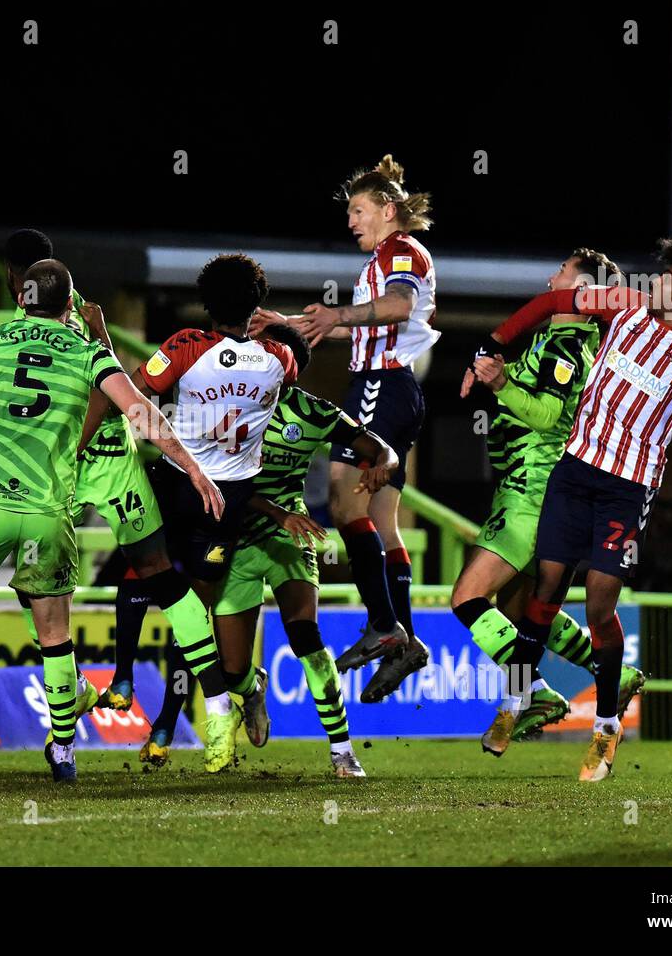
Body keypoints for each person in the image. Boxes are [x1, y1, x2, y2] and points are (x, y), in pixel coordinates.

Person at [0, 259, 224, 782]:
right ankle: (61, 750)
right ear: (69, 303)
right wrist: (193, 469)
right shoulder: (88, 352)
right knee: (55, 634)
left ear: (22, 297)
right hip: (48, 514)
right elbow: (142, 414)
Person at [465, 231, 672, 780]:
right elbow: (555, 302)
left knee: (600, 605)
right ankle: (513, 704)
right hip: (574, 473)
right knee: (544, 593)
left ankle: (605, 727)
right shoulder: (625, 306)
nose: (661, 279)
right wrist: (494, 342)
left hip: (628, 489)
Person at [252, 154, 438, 702]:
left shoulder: (401, 252)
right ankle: (405, 641)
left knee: (342, 502)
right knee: (382, 523)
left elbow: (400, 306)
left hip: (382, 386)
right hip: (393, 387)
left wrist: (339, 316)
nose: (351, 221)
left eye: (358, 210)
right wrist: (288, 323)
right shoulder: (383, 256)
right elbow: (351, 326)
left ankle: (384, 626)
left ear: (385, 208)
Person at [106, 254, 299, 770]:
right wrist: (271, 320)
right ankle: (167, 723)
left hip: (177, 483)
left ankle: (123, 675)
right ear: (255, 306)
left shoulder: (185, 346)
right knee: (195, 615)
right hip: (229, 502)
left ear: (207, 303)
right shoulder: (280, 358)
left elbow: (133, 390)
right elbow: (289, 350)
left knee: (140, 572)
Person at [452, 249, 645, 746]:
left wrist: (499, 385)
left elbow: (543, 416)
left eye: (561, 272)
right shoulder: (560, 341)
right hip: (527, 487)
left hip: (531, 491)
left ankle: (533, 689)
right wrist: (496, 372)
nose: (551, 278)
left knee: (468, 597)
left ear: (583, 292)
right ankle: (615, 678)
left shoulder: (566, 346)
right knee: (525, 609)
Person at [208, 323, 400, 777]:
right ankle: (252, 690)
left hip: (288, 538)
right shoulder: (229, 404)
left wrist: (382, 466)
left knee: (305, 637)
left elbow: (379, 447)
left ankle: (342, 751)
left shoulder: (314, 413)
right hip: (238, 534)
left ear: (287, 368)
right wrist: (275, 511)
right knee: (232, 669)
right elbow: (221, 481)